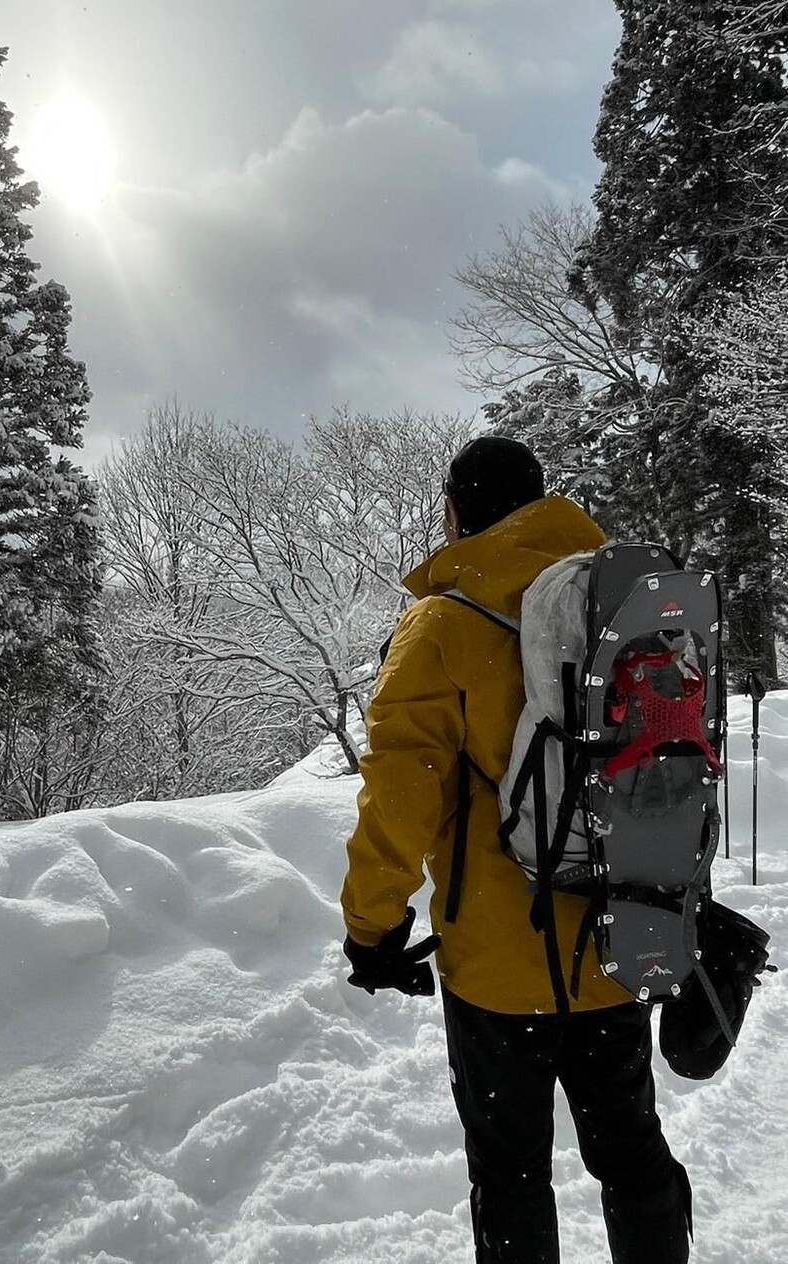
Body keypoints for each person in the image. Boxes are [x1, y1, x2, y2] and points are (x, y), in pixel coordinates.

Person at [340, 436, 692, 1264]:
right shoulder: (622, 604)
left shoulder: (440, 624)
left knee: (510, 1175)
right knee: (631, 1152)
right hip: (620, 927)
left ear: (455, 512)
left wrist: (371, 928)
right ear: (543, 504)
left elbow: (401, 790)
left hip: (499, 967)